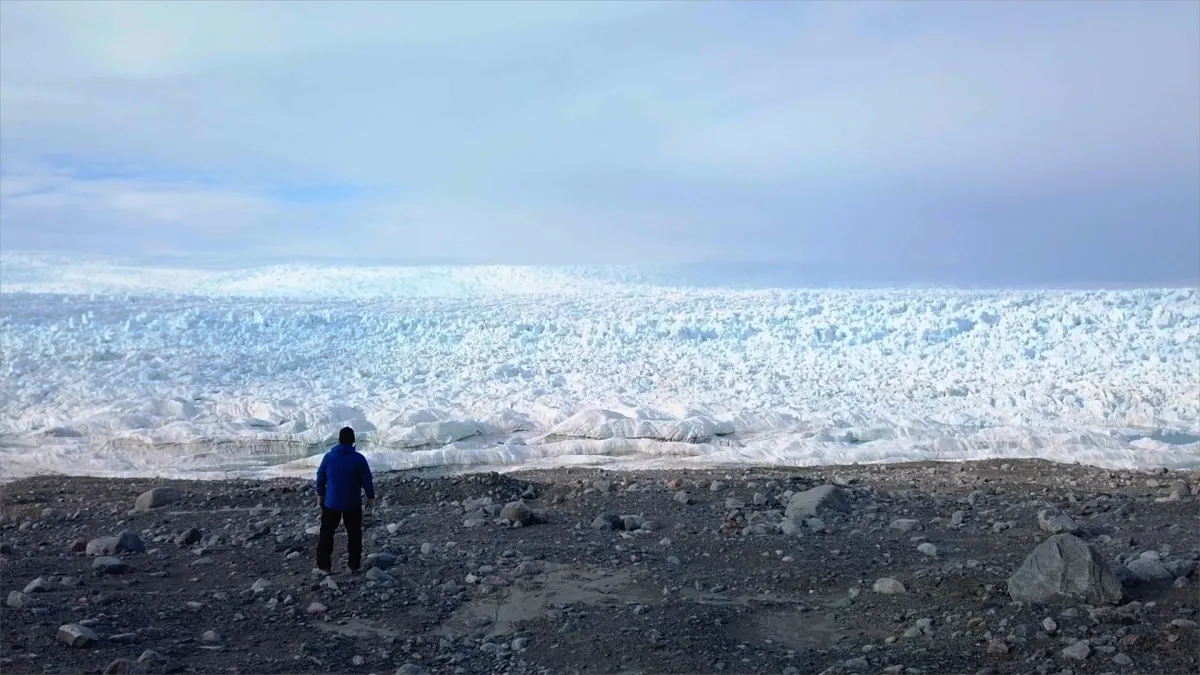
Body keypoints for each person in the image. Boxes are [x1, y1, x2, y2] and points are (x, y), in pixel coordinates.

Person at [315, 426, 375, 574]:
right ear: (353, 440)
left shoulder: (329, 457)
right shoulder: (359, 459)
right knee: (354, 534)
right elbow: (367, 480)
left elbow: (320, 477)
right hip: (352, 503)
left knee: (327, 532)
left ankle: (324, 567)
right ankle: (353, 566)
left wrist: (320, 494)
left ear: (339, 440)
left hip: (332, 502)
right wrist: (370, 497)